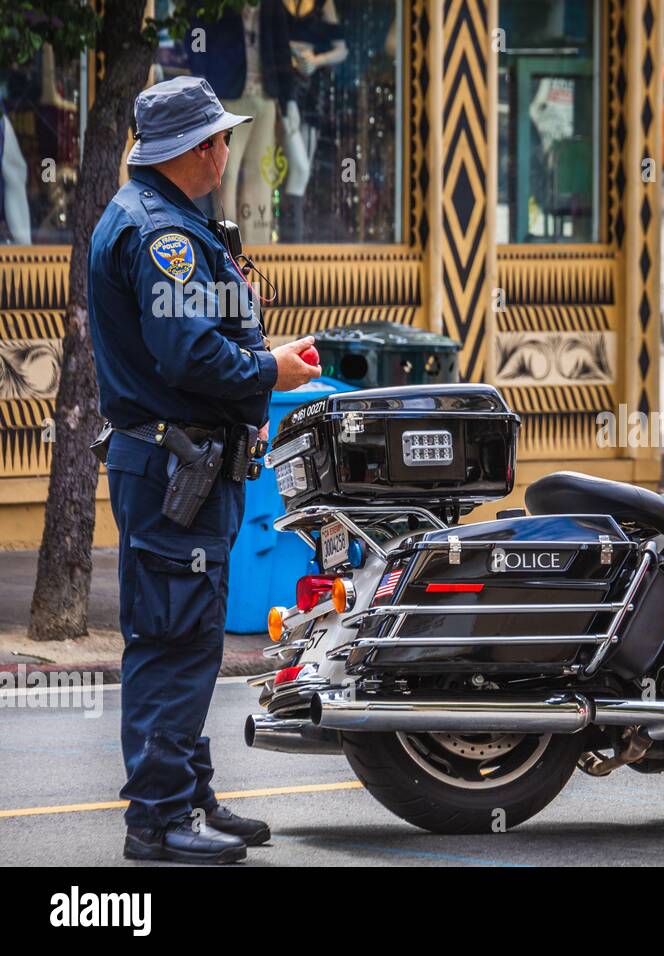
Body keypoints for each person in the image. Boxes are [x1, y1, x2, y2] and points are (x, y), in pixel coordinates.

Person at [87, 76, 321, 864]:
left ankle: (186, 796)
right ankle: (156, 822)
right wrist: (272, 370)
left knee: (186, 637)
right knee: (173, 640)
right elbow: (188, 354)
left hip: (182, 466)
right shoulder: (163, 236)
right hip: (171, 468)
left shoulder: (170, 221)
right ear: (192, 151)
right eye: (218, 138)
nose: (228, 148)